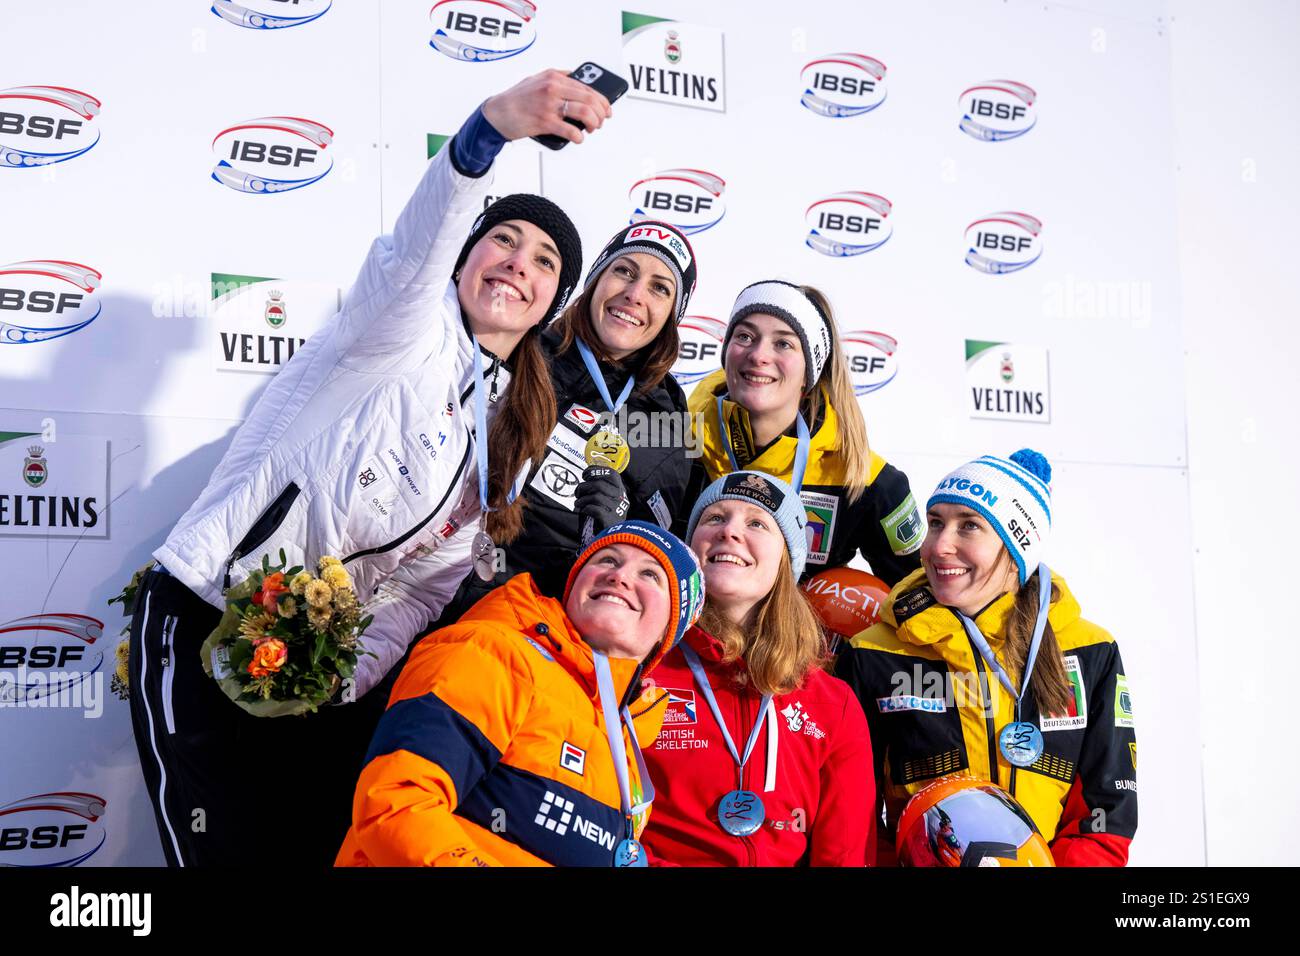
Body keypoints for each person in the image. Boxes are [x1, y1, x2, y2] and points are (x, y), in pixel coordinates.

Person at [127, 69, 612, 866]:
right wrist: (489, 129)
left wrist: (336, 683)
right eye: (504, 240)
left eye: (545, 261)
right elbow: (418, 240)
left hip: (310, 680)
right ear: (465, 257)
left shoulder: (510, 427)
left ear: (551, 301)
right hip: (208, 616)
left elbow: (423, 586)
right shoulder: (401, 323)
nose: (518, 264)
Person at [335, 521, 705, 867]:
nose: (620, 575)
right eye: (607, 559)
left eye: (650, 575)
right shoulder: (492, 652)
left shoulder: (629, 750)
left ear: (669, 630)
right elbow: (397, 803)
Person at [835, 450, 1138, 866]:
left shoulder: (1090, 650)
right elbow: (852, 815)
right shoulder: (874, 652)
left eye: (970, 526)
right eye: (936, 523)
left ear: (1018, 548)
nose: (940, 546)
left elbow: (1107, 811)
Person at [432, 219, 699, 622]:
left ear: (671, 316)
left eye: (660, 288)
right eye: (624, 271)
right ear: (595, 280)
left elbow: (660, 567)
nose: (634, 294)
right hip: (430, 584)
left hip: (539, 630)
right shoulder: (522, 346)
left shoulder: (671, 428)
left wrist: (621, 534)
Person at [640, 471, 874, 866]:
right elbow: (603, 816)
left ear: (787, 559)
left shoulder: (832, 702)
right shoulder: (641, 665)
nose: (729, 532)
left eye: (757, 523)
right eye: (714, 518)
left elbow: (846, 853)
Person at [688, 280, 923, 586]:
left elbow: (917, 593)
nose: (758, 355)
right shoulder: (675, 439)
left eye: (783, 343)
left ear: (810, 369)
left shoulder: (864, 477)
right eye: (745, 336)